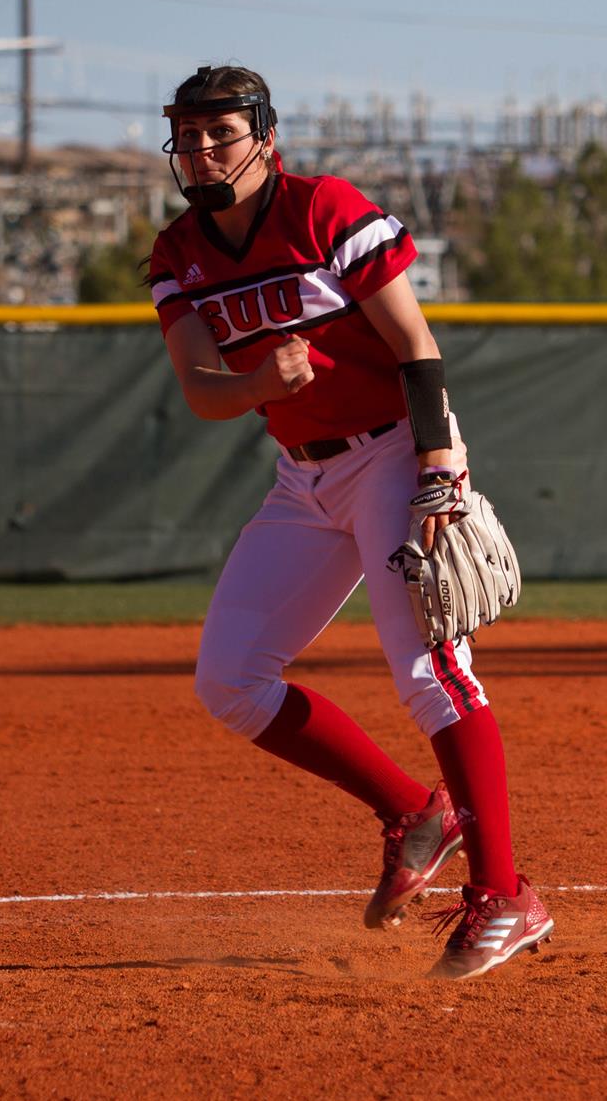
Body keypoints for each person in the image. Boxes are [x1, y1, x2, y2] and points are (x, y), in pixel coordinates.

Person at [145, 64, 552, 980]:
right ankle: (417, 812)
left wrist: (440, 457)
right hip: (304, 479)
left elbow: (415, 342)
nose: (203, 149)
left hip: (393, 454)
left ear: (264, 137)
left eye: (222, 132)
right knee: (231, 680)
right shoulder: (179, 253)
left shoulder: (324, 209)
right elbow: (201, 387)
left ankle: (504, 893)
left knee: (431, 673)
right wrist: (258, 383)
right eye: (188, 133)